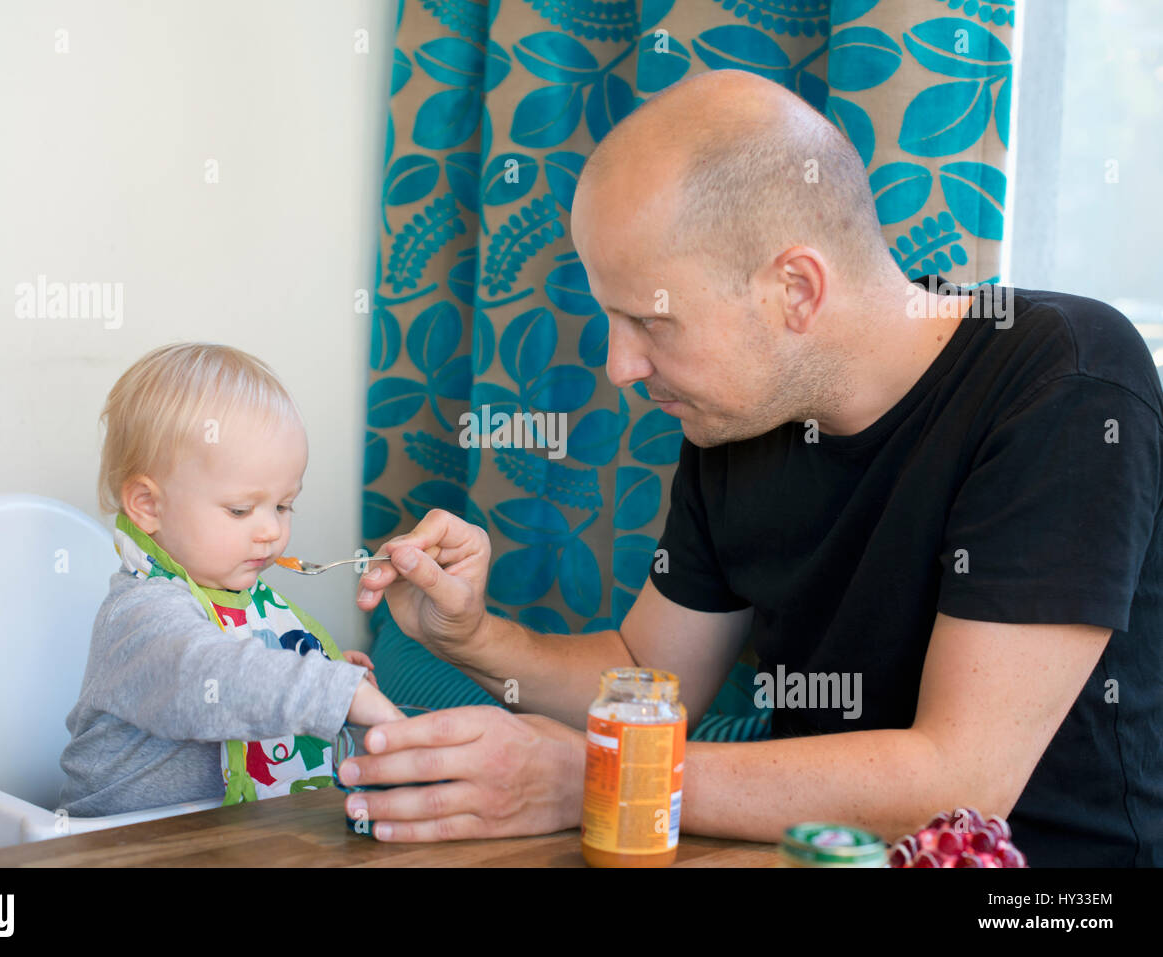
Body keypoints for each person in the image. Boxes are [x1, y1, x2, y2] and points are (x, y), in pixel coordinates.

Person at [346, 69, 1163, 866]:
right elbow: (646, 676)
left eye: (650, 322)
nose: (620, 367)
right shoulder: (736, 419)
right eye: (609, 317)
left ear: (796, 290)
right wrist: (476, 638)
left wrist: (589, 774)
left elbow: (957, 780)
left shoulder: (1067, 382)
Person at [59, 343, 402, 817]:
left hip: (227, 839)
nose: (271, 530)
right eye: (241, 509)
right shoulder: (141, 612)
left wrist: (321, 662)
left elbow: (255, 666)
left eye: (284, 506)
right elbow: (211, 674)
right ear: (148, 505)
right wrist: (330, 692)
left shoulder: (242, 597)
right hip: (118, 847)